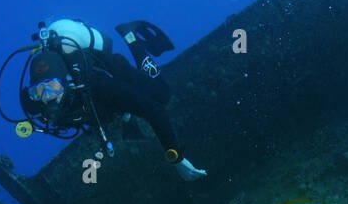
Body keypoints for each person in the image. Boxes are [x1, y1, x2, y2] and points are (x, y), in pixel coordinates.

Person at [18, 18, 207, 179]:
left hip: (113, 68)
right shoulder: (36, 105)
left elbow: (154, 110)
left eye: (52, 88)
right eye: (39, 92)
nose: (47, 98)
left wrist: (176, 156)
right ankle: (124, 109)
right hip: (97, 93)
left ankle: (129, 35)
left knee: (163, 94)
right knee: (120, 105)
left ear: (66, 83)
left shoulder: (96, 84)